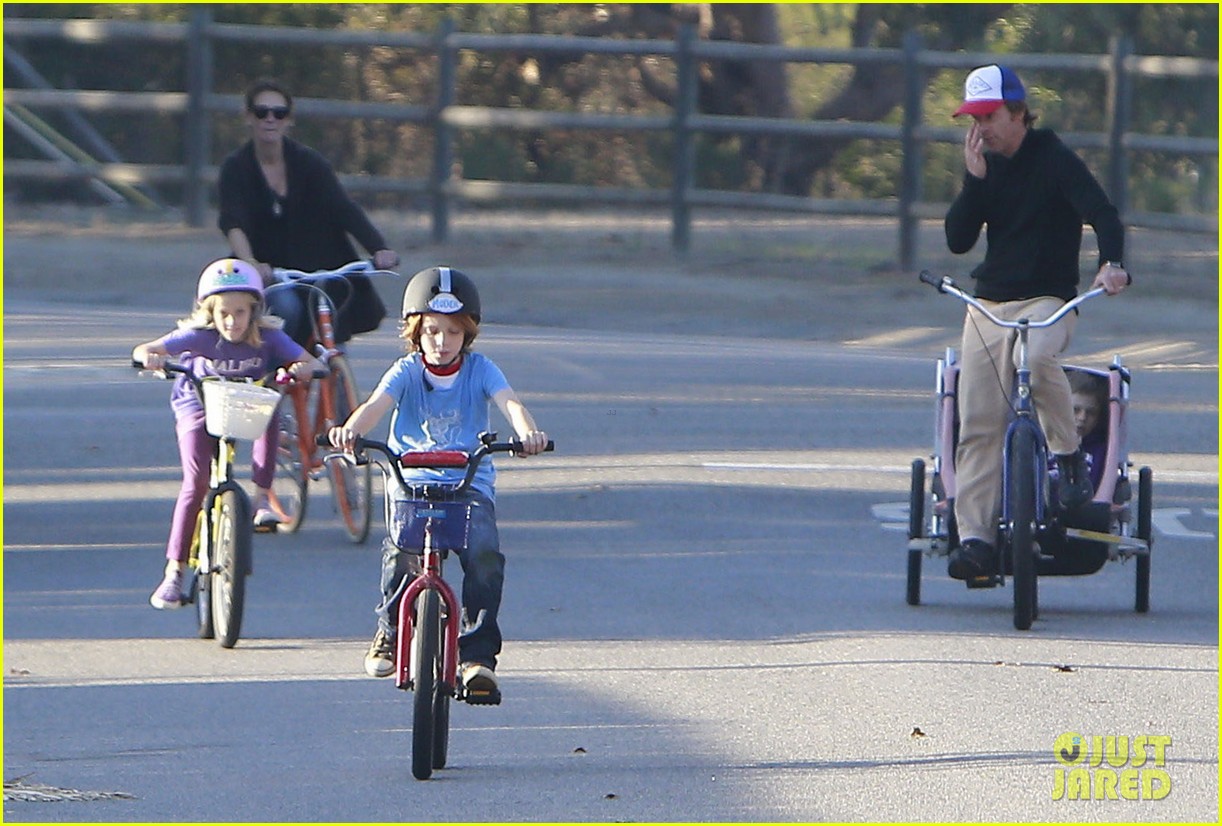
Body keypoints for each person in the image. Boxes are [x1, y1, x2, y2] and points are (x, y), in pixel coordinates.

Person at [943, 64, 1131, 583]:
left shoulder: (1053, 159)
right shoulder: (985, 166)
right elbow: (958, 240)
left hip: (1048, 299)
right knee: (978, 421)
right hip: (988, 303)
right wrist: (974, 182)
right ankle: (977, 542)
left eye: (991, 116)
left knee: (1036, 355)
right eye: (973, 118)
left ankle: (1068, 459)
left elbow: (1103, 214)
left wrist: (1111, 263)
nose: (981, 127)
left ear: (1019, 113)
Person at [328, 266, 549, 696]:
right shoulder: (407, 370)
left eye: (452, 331)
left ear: (467, 333)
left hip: (468, 481)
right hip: (411, 479)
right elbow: (376, 405)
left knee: (483, 557)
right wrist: (351, 431)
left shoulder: (481, 369)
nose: (442, 342)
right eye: (431, 331)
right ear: (415, 332)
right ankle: (390, 630)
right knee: (400, 551)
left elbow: (511, 403)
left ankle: (477, 657)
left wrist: (528, 434)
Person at [133, 258, 323, 608]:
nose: (232, 321)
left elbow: (308, 360)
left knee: (270, 404)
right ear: (210, 312)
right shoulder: (198, 336)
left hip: (245, 402)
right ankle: (174, 571)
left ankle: (262, 496)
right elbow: (147, 348)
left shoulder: (268, 337)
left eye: (241, 311)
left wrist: (301, 367)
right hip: (198, 405)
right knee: (196, 481)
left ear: (255, 310)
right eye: (224, 313)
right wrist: (151, 357)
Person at [217, 77, 400, 347]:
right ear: (248, 117)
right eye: (262, 112)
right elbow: (234, 223)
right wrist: (252, 263)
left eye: (279, 113)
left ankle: (337, 382)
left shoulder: (310, 163)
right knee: (287, 307)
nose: (271, 119)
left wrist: (378, 248)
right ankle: (274, 374)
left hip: (317, 264)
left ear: (289, 120)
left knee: (331, 320)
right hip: (273, 273)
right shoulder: (236, 168)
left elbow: (344, 208)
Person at [1067, 369, 1109, 492]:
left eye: (1091, 413)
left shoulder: (1102, 451)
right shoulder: (1040, 445)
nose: (1082, 418)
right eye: (1075, 410)